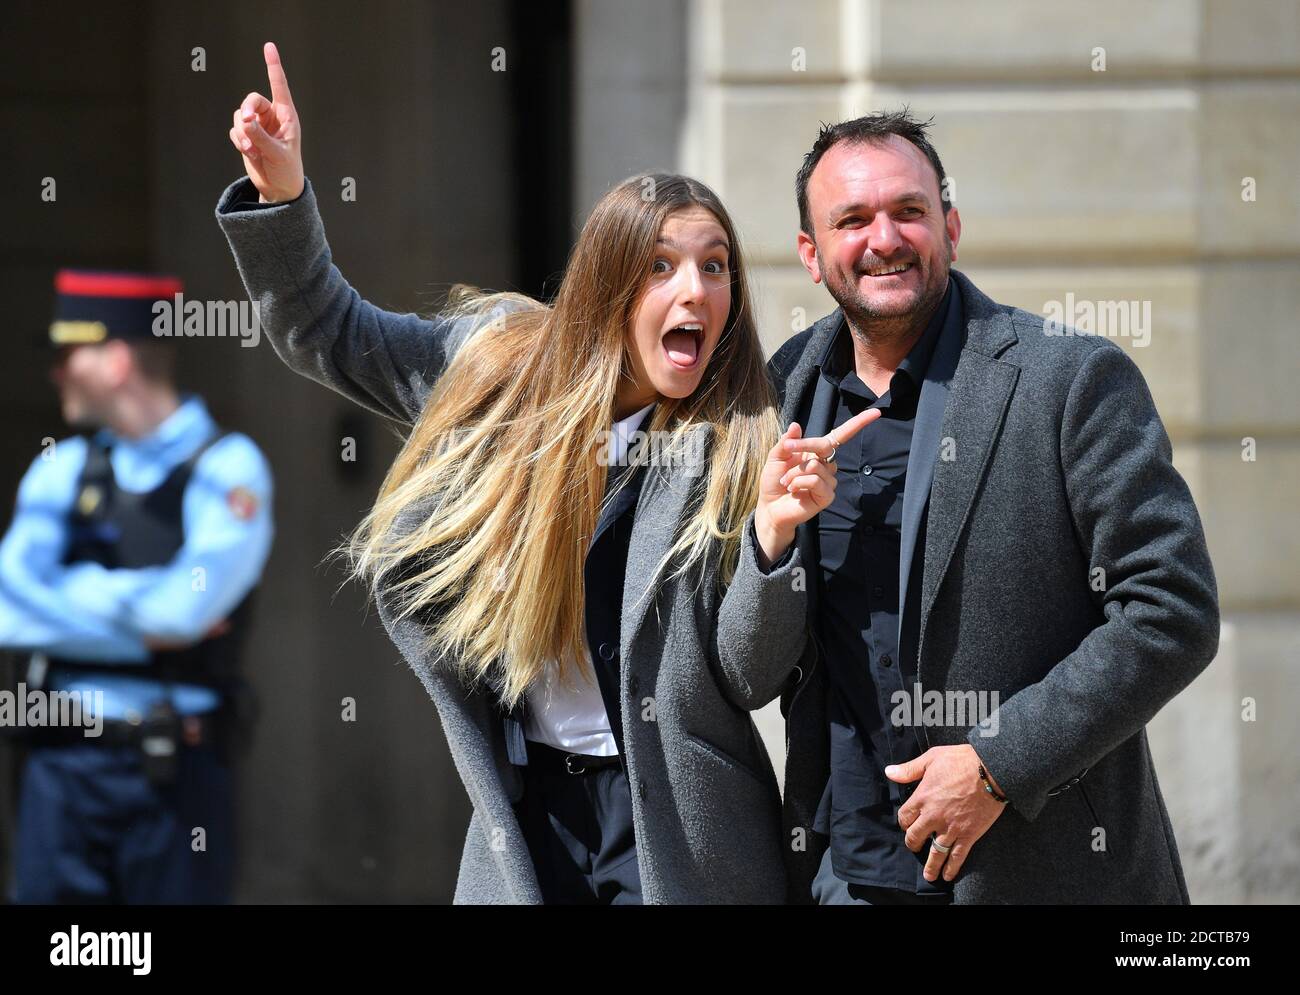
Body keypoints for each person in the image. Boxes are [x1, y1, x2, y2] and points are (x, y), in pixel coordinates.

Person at [215, 42, 866, 904]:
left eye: (716, 267)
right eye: (662, 265)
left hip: (681, 830)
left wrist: (775, 540)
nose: (697, 290)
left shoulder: (742, 434)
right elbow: (328, 329)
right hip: (530, 818)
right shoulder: (499, 372)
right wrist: (286, 195)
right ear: (607, 284)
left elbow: (749, 674)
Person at [766, 110, 1220, 904]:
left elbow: (1172, 610)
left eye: (909, 211)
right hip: (844, 877)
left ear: (951, 224)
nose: (885, 238)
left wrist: (996, 766)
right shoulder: (780, 393)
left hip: (1040, 874)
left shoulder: (1071, 380)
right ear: (811, 253)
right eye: (853, 219)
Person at [0, 269, 274, 903]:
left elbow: (185, 613)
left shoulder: (226, 470)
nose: (56, 373)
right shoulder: (60, 470)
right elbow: (10, 611)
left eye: (70, 355)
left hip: (173, 777)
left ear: (116, 359)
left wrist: (69, 591)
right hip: (60, 769)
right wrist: (142, 611)